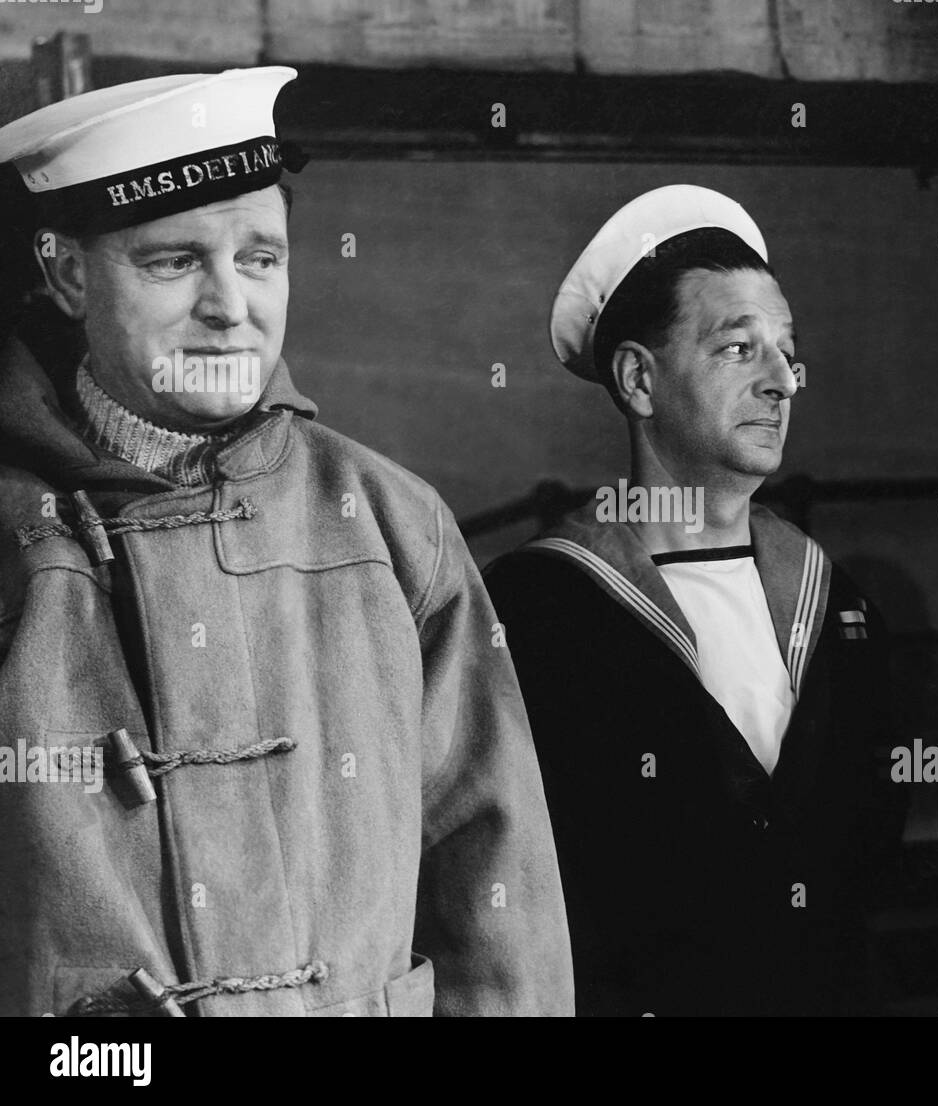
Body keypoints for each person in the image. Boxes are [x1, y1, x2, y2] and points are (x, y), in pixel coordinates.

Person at [0, 67, 573, 1017]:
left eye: (261, 258)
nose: (231, 305)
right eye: (175, 261)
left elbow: (497, 884)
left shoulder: (393, 524)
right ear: (68, 276)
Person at [485, 184, 903, 1016]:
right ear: (638, 379)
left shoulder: (839, 604)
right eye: (738, 350)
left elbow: (869, 859)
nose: (783, 380)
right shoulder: (536, 610)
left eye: (787, 350)